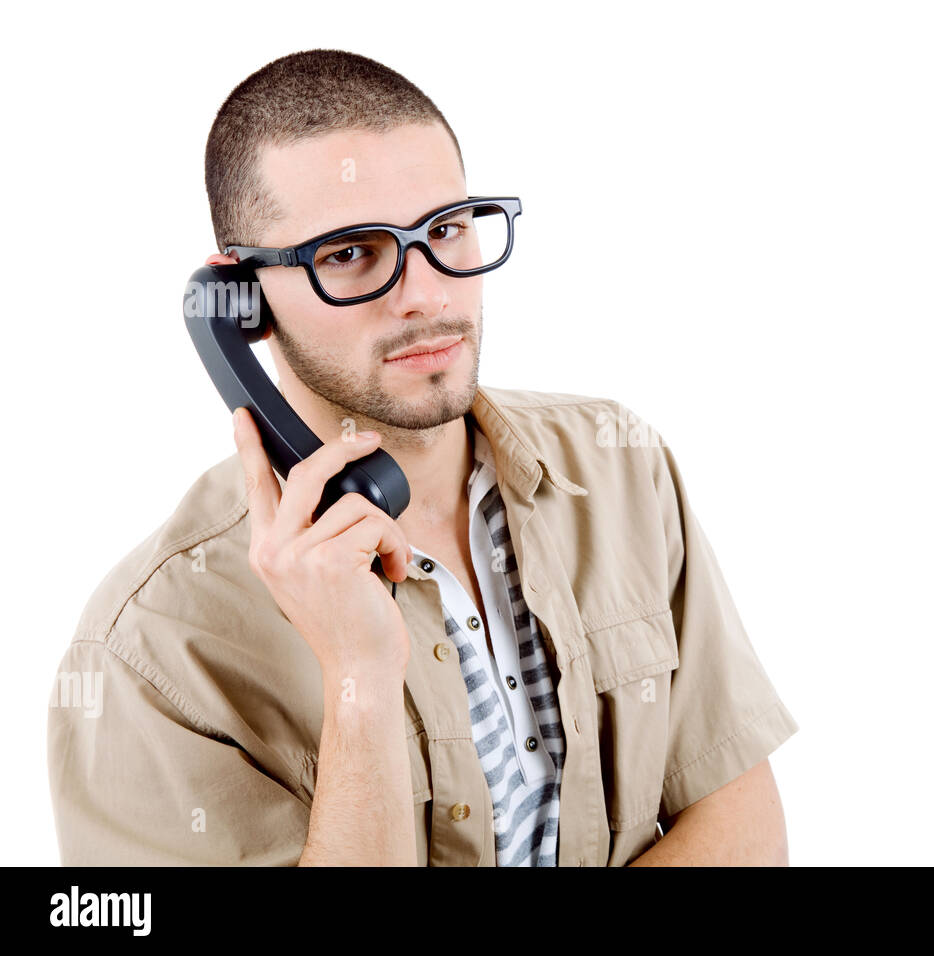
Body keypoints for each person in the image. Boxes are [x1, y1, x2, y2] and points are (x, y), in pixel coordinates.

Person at [47, 48, 798, 866]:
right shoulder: (150, 649)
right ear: (240, 302)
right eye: (348, 254)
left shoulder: (619, 465)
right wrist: (359, 678)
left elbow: (741, 823)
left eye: (444, 231)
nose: (427, 294)